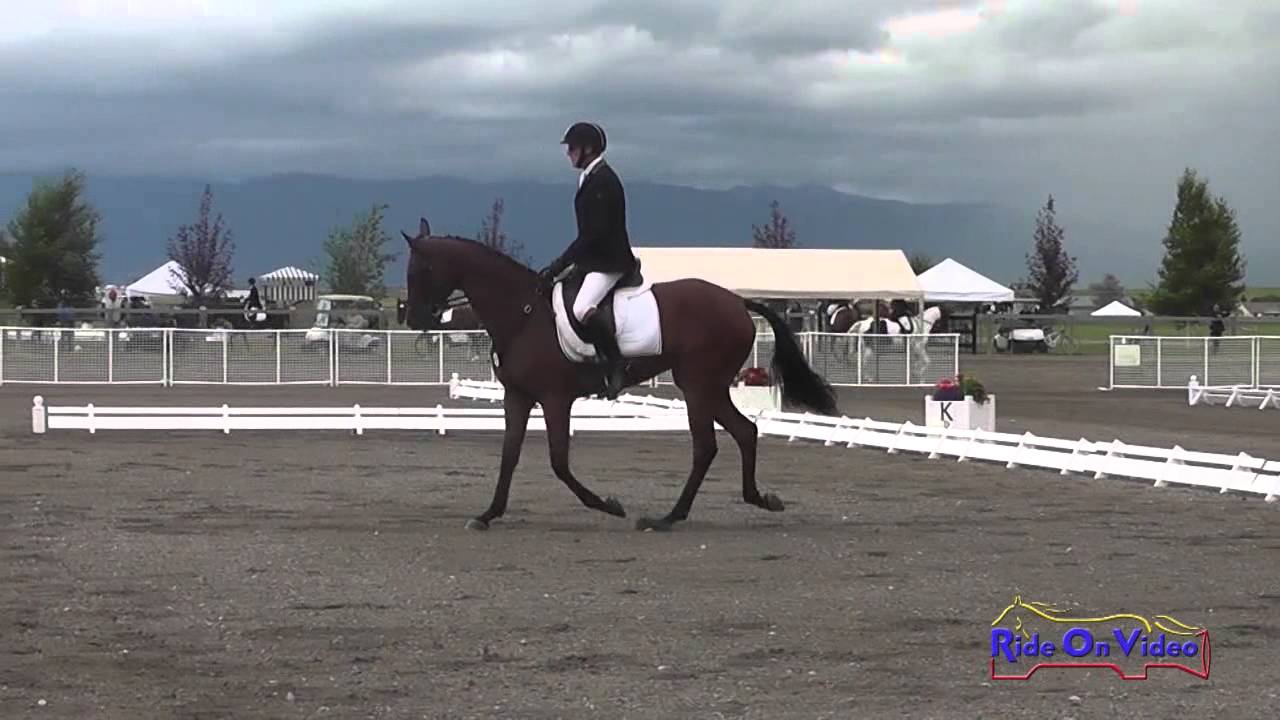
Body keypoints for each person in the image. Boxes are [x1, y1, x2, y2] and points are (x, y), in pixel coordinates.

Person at [538, 121, 638, 399]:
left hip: (610, 262)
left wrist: (559, 264)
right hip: (594, 260)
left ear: (588, 149)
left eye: (572, 148)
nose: (568, 153)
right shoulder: (590, 177)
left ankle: (616, 364)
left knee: (582, 308)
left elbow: (594, 234)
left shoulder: (604, 181)